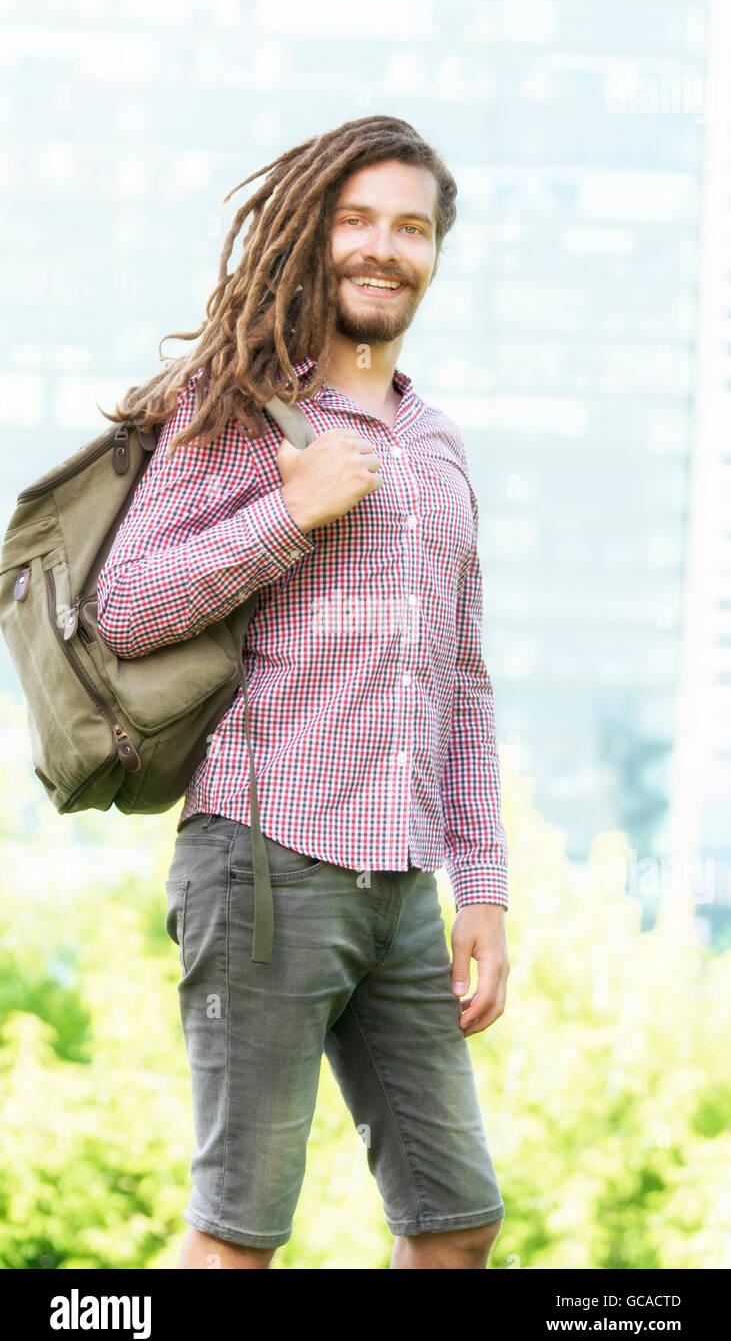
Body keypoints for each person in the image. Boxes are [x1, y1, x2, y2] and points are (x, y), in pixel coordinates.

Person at [96, 115, 511, 1270]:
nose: (384, 248)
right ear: (310, 237)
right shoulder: (235, 410)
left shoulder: (435, 443)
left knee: (455, 1218)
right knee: (236, 1239)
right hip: (263, 860)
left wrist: (481, 885)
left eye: (411, 228)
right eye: (358, 220)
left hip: (402, 889)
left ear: (434, 253)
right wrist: (288, 513)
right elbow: (125, 604)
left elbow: (460, 682)